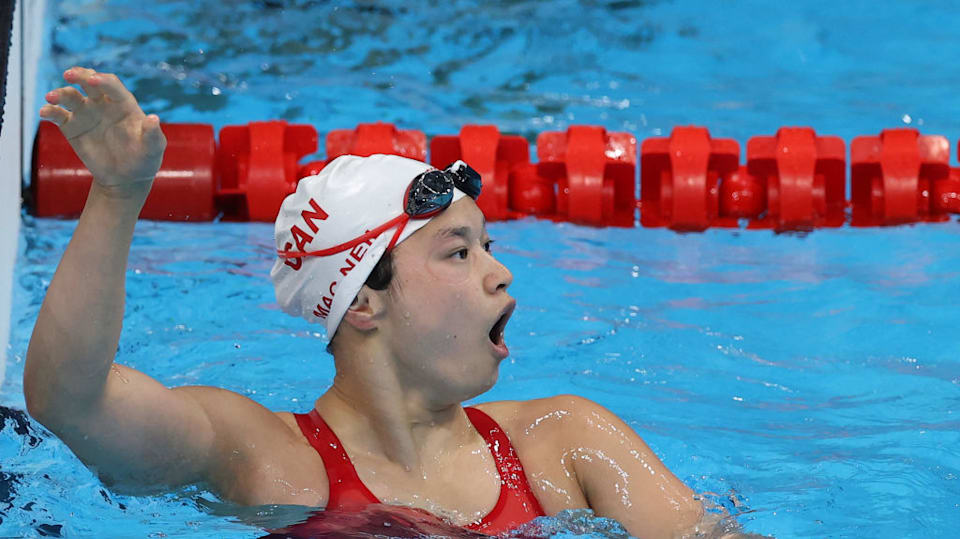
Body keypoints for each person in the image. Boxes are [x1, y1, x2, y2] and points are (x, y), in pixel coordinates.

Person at [24, 67, 749, 539]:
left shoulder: (564, 444)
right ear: (363, 300)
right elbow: (70, 401)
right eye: (460, 252)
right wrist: (119, 195)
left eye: (489, 247)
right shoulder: (268, 461)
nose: (502, 275)